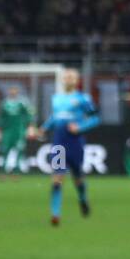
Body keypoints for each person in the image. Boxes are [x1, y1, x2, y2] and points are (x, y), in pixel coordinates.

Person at [34, 68, 98, 225]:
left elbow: (95, 118)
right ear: (62, 80)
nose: (68, 79)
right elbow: (55, 118)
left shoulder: (83, 99)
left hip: (75, 142)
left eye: (72, 77)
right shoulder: (56, 98)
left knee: (78, 178)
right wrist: (43, 128)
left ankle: (83, 199)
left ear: (76, 81)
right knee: (57, 179)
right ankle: (55, 214)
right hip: (59, 142)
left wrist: (80, 127)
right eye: (66, 77)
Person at [0, 85, 35, 177]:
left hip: (19, 131)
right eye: (11, 90)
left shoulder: (22, 103)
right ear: (9, 91)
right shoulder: (4, 103)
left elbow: (28, 116)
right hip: (7, 132)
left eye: (14, 90)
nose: (13, 91)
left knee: (19, 151)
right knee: (5, 151)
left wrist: (30, 127)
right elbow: (0, 118)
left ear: (17, 91)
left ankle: (16, 172)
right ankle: (3, 172)